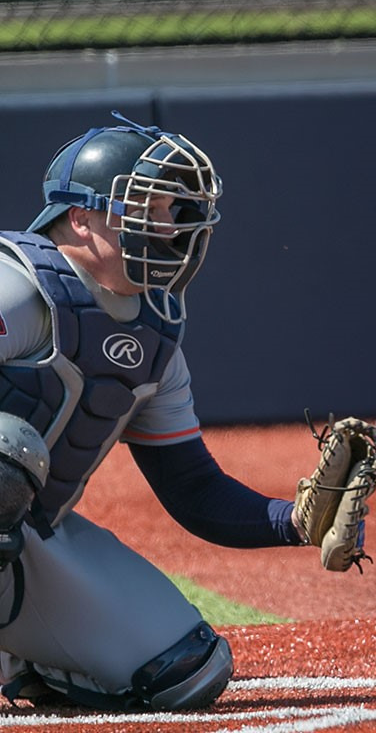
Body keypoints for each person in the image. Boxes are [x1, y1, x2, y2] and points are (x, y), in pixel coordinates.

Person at [0, 118, 343, 710]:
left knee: (183, 671)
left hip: (24, 543)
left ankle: (25, 659)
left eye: (170, 212)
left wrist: (297, 521)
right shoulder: (18, 284)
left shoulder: (156, 338)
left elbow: (192, 487)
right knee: (9, 449)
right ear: (79, 217)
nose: (167, 228)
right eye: (146, 209)